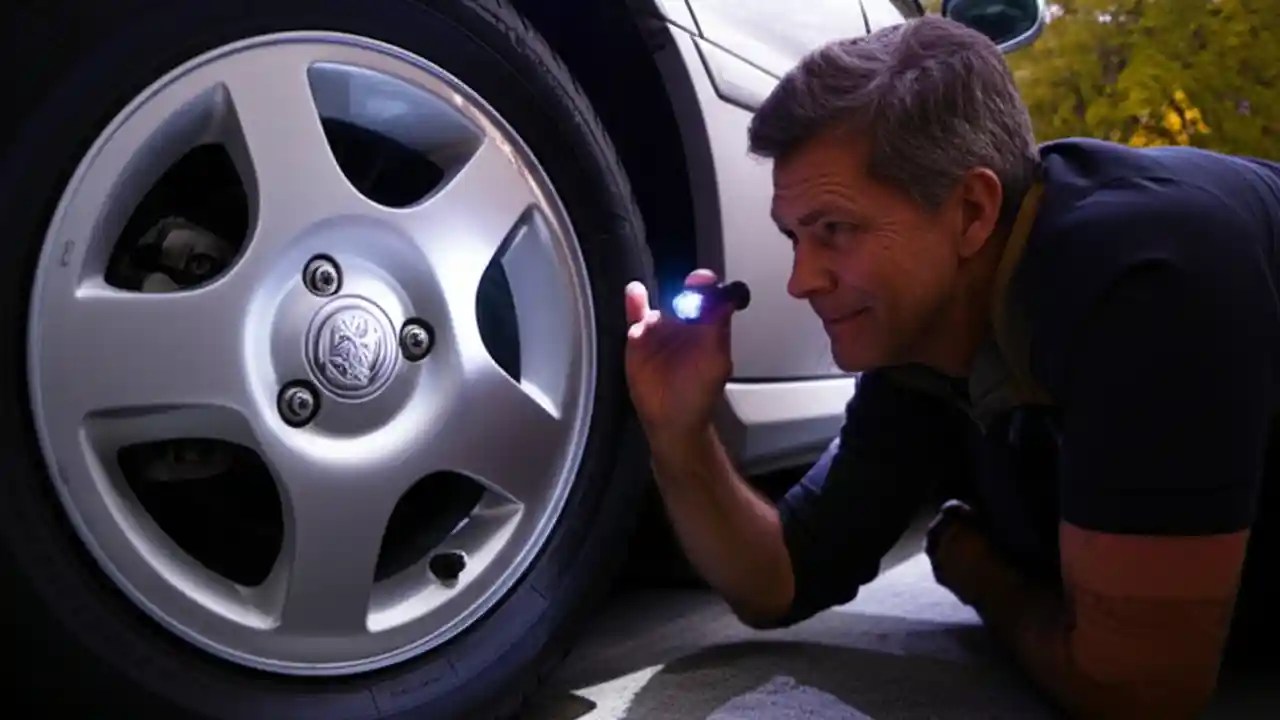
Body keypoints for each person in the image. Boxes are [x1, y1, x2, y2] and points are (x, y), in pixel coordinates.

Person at [622, 15, 1278, 720]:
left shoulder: (1144, 279)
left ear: (971, 210)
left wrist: (981, 575)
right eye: (794, 238)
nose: (801, 280)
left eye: (835, 230)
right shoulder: (930, 338)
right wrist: (681, 436)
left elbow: (1140, 691)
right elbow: (776, 580)